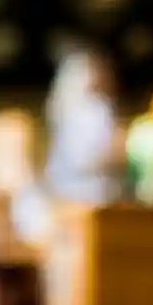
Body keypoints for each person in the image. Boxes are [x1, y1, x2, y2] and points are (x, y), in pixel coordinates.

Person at [45, 49, 123, 204]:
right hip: (84, 194)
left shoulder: (71, 109)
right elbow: (84, 157)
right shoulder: (93, 110)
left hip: (70, 190)